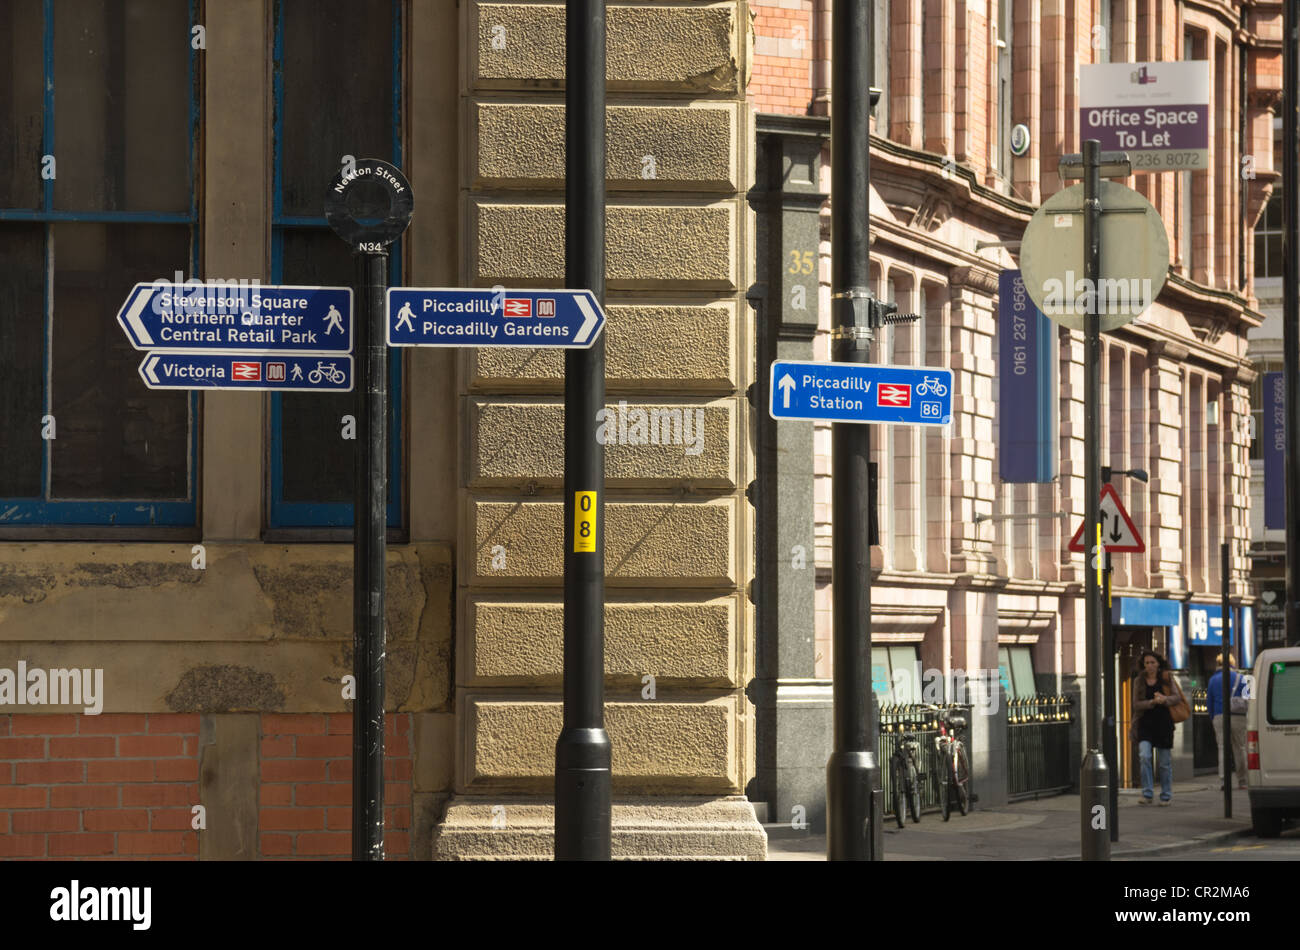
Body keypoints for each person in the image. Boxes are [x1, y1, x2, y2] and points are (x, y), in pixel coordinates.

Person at [1130, 650, 1181, 805]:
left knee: (1164, 762)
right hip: (1145, 724)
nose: (1150, 666)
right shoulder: (1139, 680)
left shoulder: (1166, 677)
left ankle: (1165, 795)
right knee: (1144, 756)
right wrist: (1151, 703)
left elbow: (1176, 697)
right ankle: (1147, 793)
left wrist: (1164, 699)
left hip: (1163, 724)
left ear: (1158, 664)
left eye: (1153, 662)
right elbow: (1136, 704)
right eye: (1147, 663)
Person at [1206, 652, 1247, 790]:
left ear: (1218, 664)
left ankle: (1224, 781)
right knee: (1240, 748)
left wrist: (1213, 716)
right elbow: (1250, 700)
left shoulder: (1213, 680)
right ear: (1232, 663)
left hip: (1219, 715)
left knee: (1222, 748)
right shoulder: (1241, 678)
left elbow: (1209, 701)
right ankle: (1242, 781)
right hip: (1239, 716)